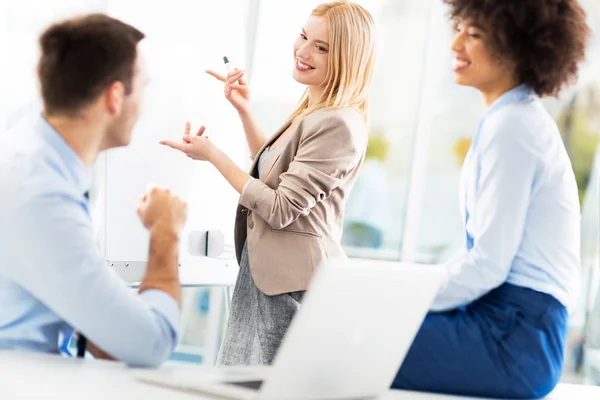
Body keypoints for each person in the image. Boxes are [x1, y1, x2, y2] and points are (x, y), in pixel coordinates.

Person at [161, 0, 377, 365]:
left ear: (347, 57)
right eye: (304, 36)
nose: (303, 51)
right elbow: (272, 171)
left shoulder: (338, 123)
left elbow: (280, 208)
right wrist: (244, 110)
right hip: (269, 278)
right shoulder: (315, 110)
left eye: (321, 47)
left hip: (289, 285)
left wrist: (212, 155)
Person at [392, 0, 590, 398]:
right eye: (460, 28)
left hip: (515, 339)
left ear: (516, 46)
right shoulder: (512, 119)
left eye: (474, 35)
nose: (455, 45)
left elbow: (488, 264)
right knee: (358, 334)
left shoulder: (514, 126)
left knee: (358, 341)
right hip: (508, 325)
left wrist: (403, 297)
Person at [0, 14, 187, 367]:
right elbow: (151, 343)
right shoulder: (42, 192)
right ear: (115, 97)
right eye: (144, 87)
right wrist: (166, 233)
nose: (144, 104)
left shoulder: (32, 159)